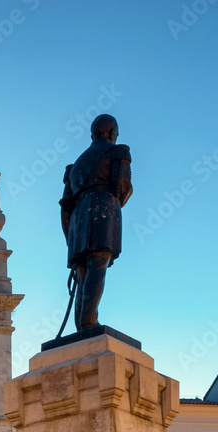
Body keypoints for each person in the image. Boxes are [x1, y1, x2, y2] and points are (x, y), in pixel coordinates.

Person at [59, 114, 132, 330]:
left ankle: (82, 323)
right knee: (98, 262)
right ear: (111, 133)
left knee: (82, 270)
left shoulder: (74, 166)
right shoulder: (118, 152)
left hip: (77, 219)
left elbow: (65, 206)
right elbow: (122, 187)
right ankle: (89, 321)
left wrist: (69, 237)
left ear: (93, 134)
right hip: (103, 209)